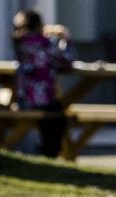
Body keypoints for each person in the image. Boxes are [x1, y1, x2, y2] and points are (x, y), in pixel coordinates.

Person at [11, 9, 75, 157]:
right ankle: (50, 153)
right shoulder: (43, 43)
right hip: (42, 99)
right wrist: (65, 38)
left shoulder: (19, 44)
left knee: (51, 116)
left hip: (22, 100)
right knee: (59, 117)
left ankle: (44, 150)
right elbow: (65, 60)